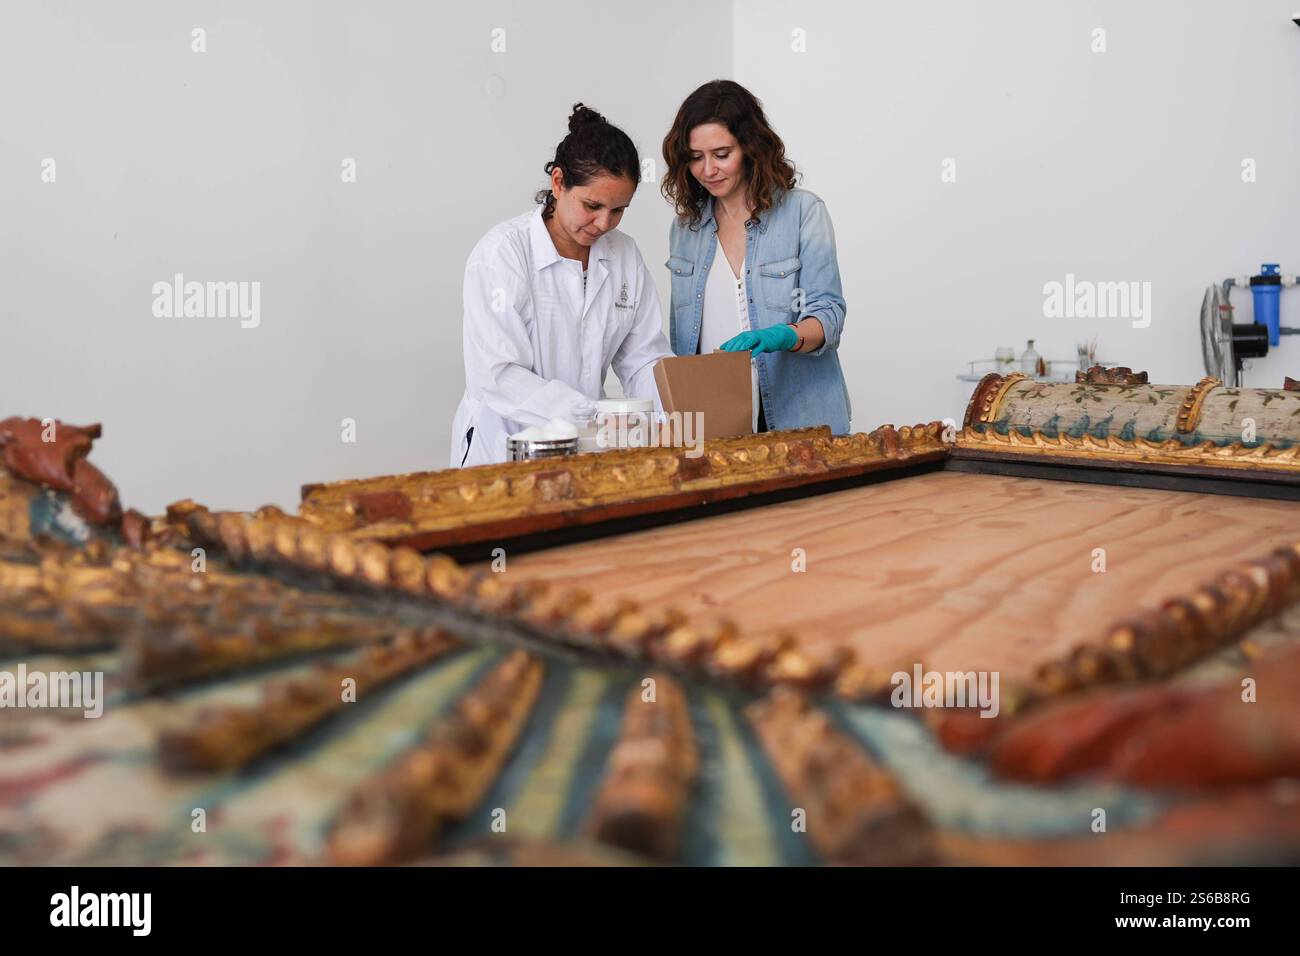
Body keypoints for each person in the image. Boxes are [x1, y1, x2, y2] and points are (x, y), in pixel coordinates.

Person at [450, 104, 672, 467]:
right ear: (558, 183)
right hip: (506, 446)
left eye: (618, 210)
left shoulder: (625, 255)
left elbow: (643, 358)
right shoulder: (502, 255)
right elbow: (498, 376)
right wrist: (593, 419)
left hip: (586, 450)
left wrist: (668, 420)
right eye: (592, 205)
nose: (604, 223)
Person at [661, 80, 850, 434]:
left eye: (721, 154)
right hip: (717, 422)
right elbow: (681, 340)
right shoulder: (685, 230)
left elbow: (829, 316)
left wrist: (784, 336)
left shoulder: (803, 213)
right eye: (695, 157)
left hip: (800, 420)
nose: (708, 170)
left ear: (750, 147)